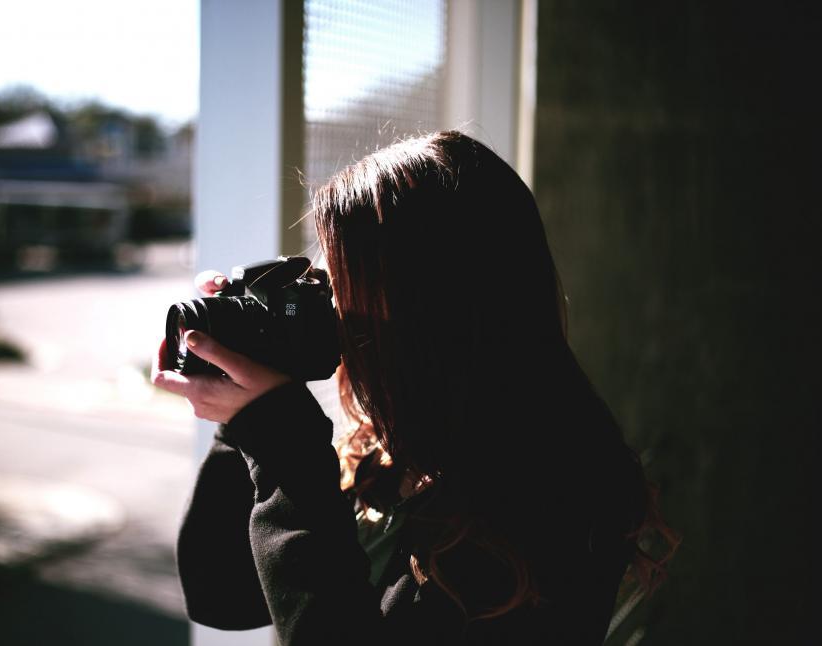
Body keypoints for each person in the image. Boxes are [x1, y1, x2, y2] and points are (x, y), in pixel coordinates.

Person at [152, 131, 677, 645]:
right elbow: (221, 596)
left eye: (341, 291)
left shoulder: (553, 493)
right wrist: (242, 413)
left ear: (425, 311)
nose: (329, 314)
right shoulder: (401, 450)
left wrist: (281, 439)